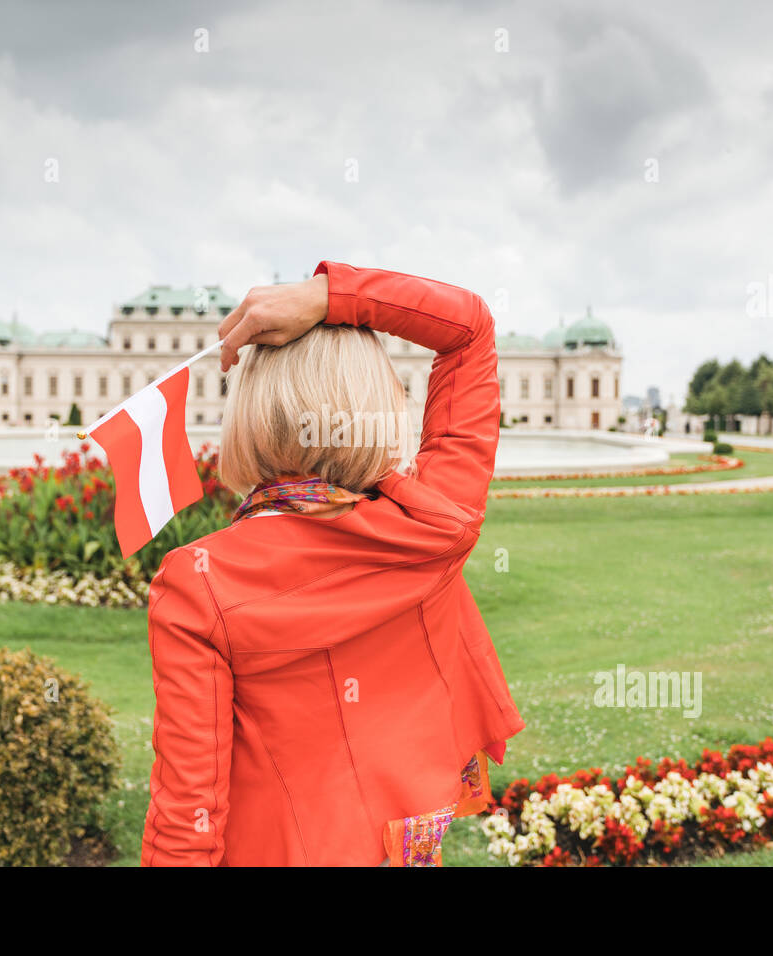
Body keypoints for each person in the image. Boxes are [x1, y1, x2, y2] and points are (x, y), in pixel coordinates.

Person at [140, 261, 524, 867]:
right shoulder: (433, 527)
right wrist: (330, 298)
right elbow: (469, 328)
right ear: (377, 406)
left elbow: (188, 816)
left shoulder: (200, 582)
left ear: (250, 411)